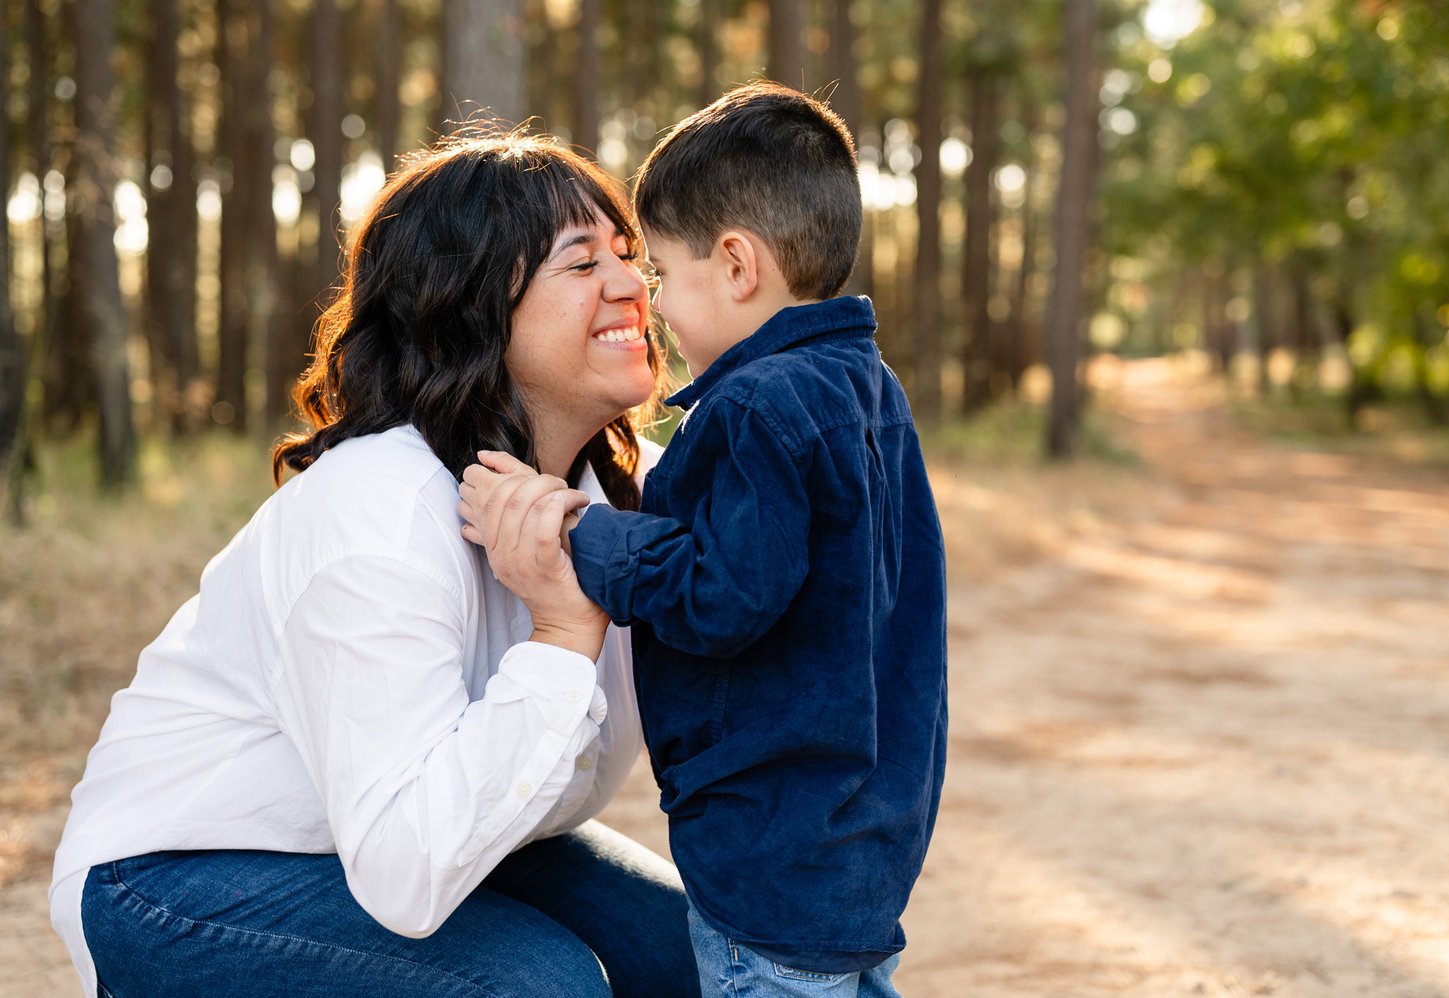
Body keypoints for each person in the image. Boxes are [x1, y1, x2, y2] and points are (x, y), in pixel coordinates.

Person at [48, 132, 699, 998]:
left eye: (630, 257)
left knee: (702, 953)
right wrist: (564, 629)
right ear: (470, 306)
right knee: (539, 988)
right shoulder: (379, 513)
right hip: (181, 871)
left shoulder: (633, 492)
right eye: (582, 265)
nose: (631, 285)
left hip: (444, 838)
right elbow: (409, 871)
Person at [460, 83, 948, 998]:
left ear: (735, 266)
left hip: (775, 840)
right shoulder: (869, 388)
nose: (653, 307)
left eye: (663, 276)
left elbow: (721, 592)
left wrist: (583, 529)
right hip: (861, 832)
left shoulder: (756, 406)